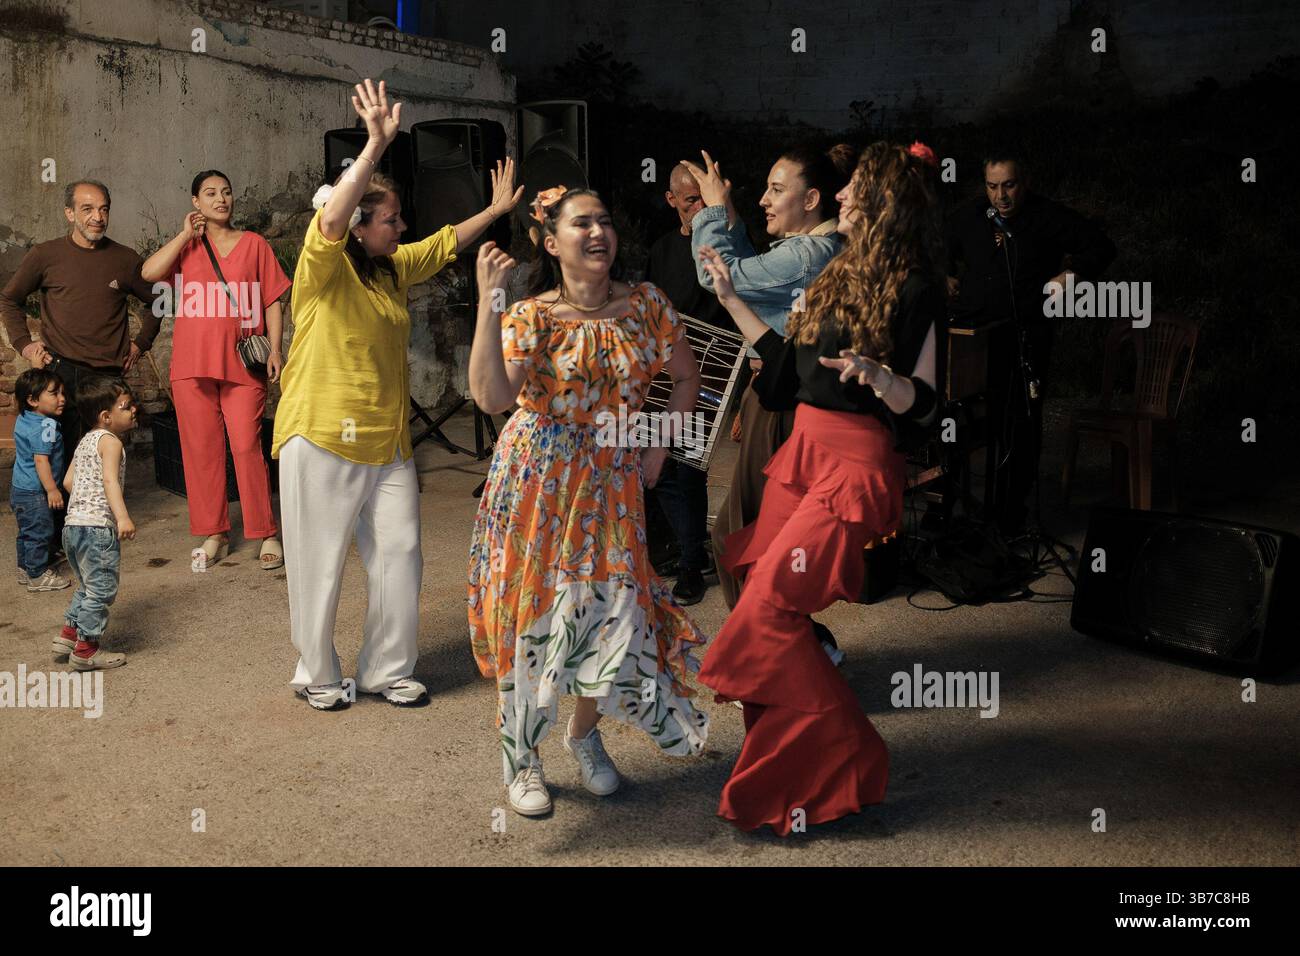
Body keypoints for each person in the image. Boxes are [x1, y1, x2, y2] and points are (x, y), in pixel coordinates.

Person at [696, 141, 945, 835]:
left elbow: (928, 406)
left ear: (885, 199)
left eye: (853, 187)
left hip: (854, 464)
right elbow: (782, 373)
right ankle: (808, 768)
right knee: (763, 598)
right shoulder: (835, 273)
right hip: (802, 451)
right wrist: (732, 299)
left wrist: (886, 380)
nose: (839, 196)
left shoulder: (918, 287)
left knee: (769, 610)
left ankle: (847, 754)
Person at [272, 79, 522, 711]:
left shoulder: (389, 270)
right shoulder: (323, 265)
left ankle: (386, 669)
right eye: (391, 219)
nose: (402, 226)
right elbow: (332, 218)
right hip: (321, 433)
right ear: (359, 227)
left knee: (399, 554)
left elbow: (443, 244)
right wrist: (376, 146)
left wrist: (494, 212)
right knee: (320, 564)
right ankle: (318, 673)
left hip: (386, 441)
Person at [468, 185, 709, 818]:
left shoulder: (647, 305)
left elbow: (688, 376)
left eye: (604, 220)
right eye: (581, 223)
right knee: (535, 617)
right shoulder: (532, 315)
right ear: (551, 243)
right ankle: (522, 755)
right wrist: (488, 306)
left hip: (613, 480)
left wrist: (660, 441)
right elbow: (492, 398)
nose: (597, 231)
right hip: (539, 479)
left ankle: (582, 735)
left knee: (613, 615)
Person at [683, 143, 854, 660]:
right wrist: (728, 218)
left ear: (812, 199)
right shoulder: (814, 249)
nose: (764, 200)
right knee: (757, 539)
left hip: (782, 405)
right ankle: (787, 645)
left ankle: (777, 650)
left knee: (742, 538)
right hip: (785, 397)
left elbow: (718, 275)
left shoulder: (806, 256)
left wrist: (713, 211)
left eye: (777, 190)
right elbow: (751, 269)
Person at [945, 152, 1116, 534]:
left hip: (1026, 333)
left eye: (1009, 185)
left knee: (1020, 422)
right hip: (974, 338)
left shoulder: (1047, 216)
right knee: (961, 417)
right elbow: (937, 249)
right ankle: (952, 505)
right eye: (992, 186)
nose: (1001, 195)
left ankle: (1010, 513)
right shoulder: (969, 216)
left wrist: (1070, 275)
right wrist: (945, 275)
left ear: (1025, 183)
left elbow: (1101, 247)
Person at [141, 170, 292, 571]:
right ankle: (215, 534)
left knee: (246, 446)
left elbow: (273, 299)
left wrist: (276, 349)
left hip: (242, 363)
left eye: (226, 192)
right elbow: (149, 274)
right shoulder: (188, 246)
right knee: (202, 451)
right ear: (196, 202)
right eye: (210, 193)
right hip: (192, 365)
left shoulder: (254, 244)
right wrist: (183, 236)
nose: (221, 199)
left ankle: (265, 532)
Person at [1, 181, 163, 472]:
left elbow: (160, 300)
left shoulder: (125, 259)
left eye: (103, 209)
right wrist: (24, 344)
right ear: (70, 213)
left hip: (107, 376)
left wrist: (141, 343)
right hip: (61, 372)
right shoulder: (44, 255)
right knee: (59, 460)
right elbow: (9, 299)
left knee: (101, 462)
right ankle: (58, 504)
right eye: (87, 209)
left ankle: (99, 504)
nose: (97, 217)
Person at [642, 162, 736, 604]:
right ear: (672, 200)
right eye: (690, 200)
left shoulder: (723, 244)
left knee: (688, 470)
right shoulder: (662, 249)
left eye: (704, 198)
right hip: (662, 374)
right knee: (657, 467)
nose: (699, 207)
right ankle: (673, 551)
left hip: (709, 374)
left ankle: (691, 565)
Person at [56, 376, 140, 670]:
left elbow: (68, 482)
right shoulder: (111, 442)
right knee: (101, 589)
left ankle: (69, 634)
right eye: (126, 406)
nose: (133, 410)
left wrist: (84, 505)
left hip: (72, 526)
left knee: (87, 585)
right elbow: (109, 481)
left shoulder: (85, 441)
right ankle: (86, 651)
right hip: (96, 529)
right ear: (106, 416)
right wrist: (122, 517)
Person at [10, 369, 70, 591]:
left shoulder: (24, 418)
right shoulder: (46, 426)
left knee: (27, 531)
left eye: (62, 392)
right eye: (54, 394)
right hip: (35, 492)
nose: (62, 398)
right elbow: (41, 460)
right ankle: (37, 575)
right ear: (33, 400)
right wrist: (52, 489)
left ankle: (25, 568)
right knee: (40, 532)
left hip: (20, 489)